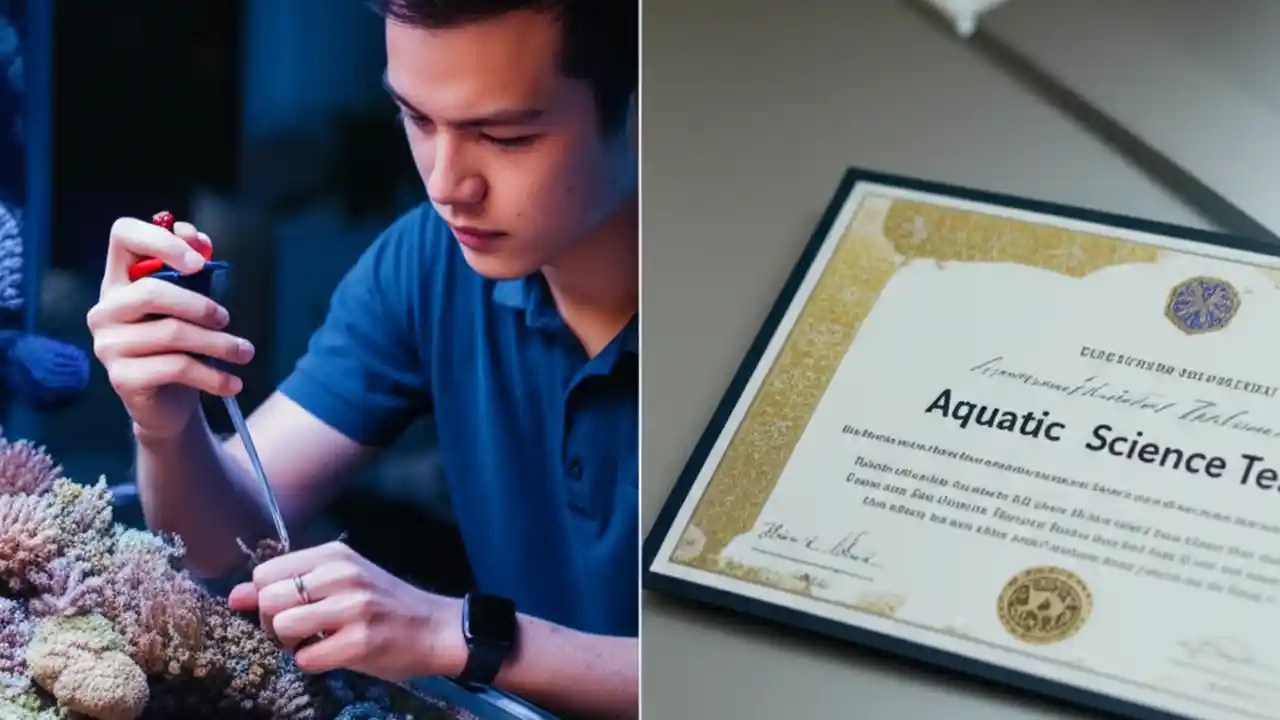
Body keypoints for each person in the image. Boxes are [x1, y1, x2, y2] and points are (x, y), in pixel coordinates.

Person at [84, 1, 638, 718]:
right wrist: (165, 421)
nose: (446, 185)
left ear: (643, 107)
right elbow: (222, 544)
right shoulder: (428, 261)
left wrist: (456, 634)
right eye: (417, 119)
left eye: (505, 137)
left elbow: (770, 680)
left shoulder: (752, 325)